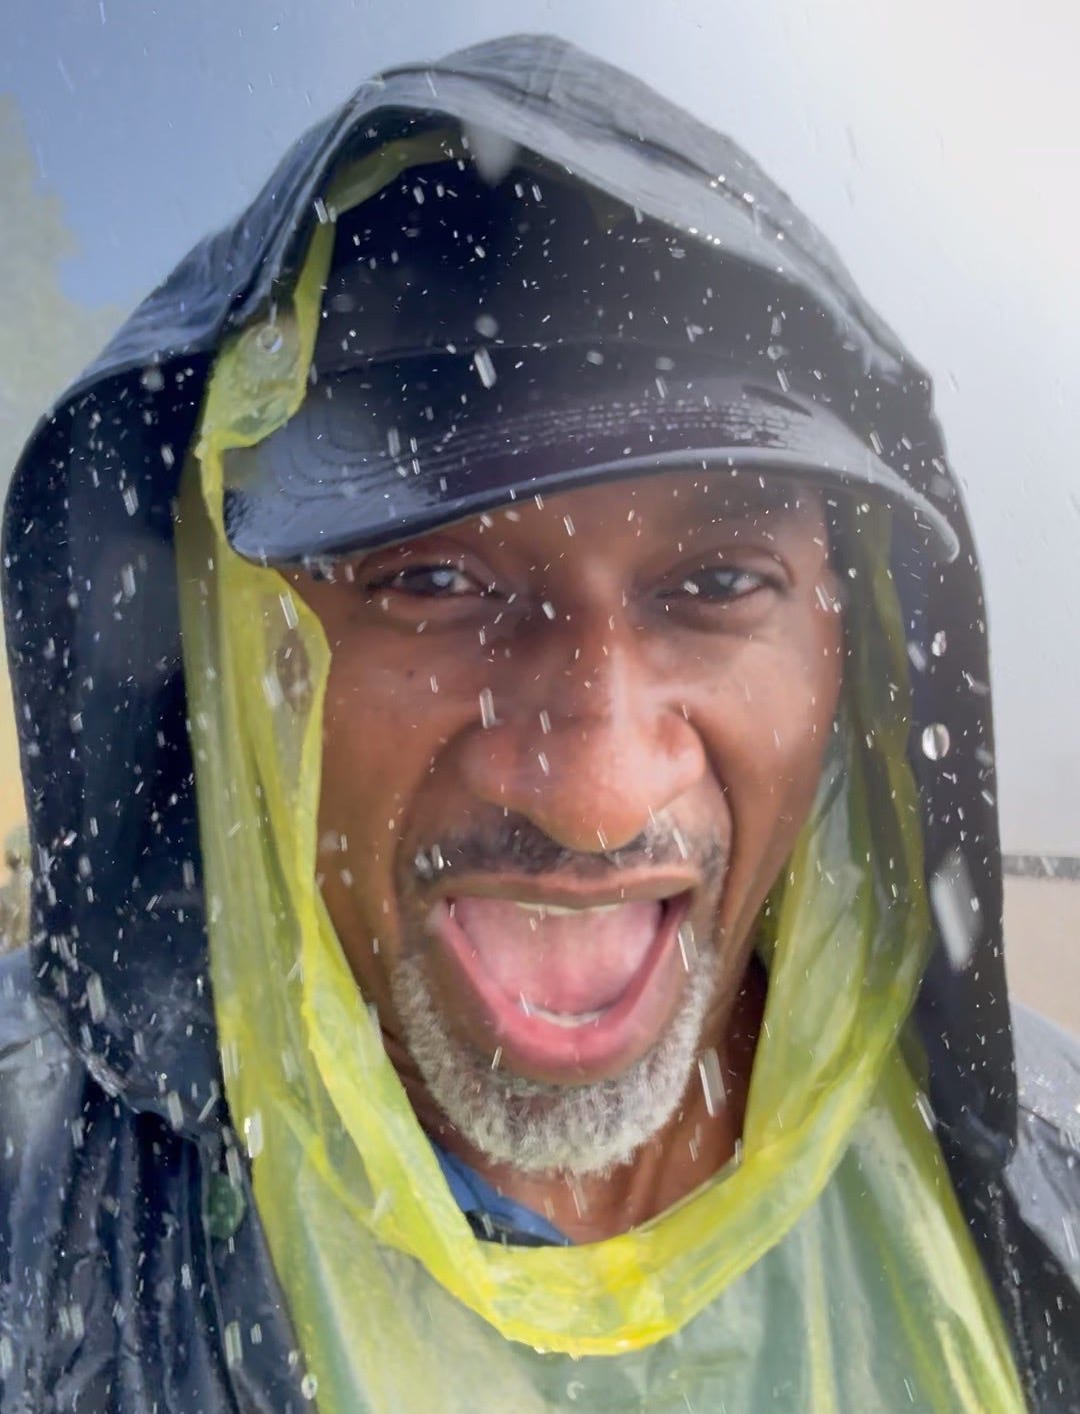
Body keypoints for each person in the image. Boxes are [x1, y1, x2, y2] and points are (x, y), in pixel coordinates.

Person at [1, 34, 1076, 1413]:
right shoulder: (43, 1202)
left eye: (717, 584)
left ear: (852, 652)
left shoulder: (1044, 1178)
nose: (596, 795)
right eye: (431, 582)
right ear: (234, 646)